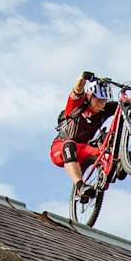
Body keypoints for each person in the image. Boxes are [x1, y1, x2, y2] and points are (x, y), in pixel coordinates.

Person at [50, 71, 119, 200]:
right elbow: (77, 88)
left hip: (83, 149)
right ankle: (80, 186)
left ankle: (107, 180)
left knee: (107, 156)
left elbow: (127, 104)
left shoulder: (104, 109)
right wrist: (83, 77)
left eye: (104, 101)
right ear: (90, 96)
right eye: (98, 99)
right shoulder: (77, 105)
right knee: (69, 145)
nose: (101, 104)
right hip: (60, 147)